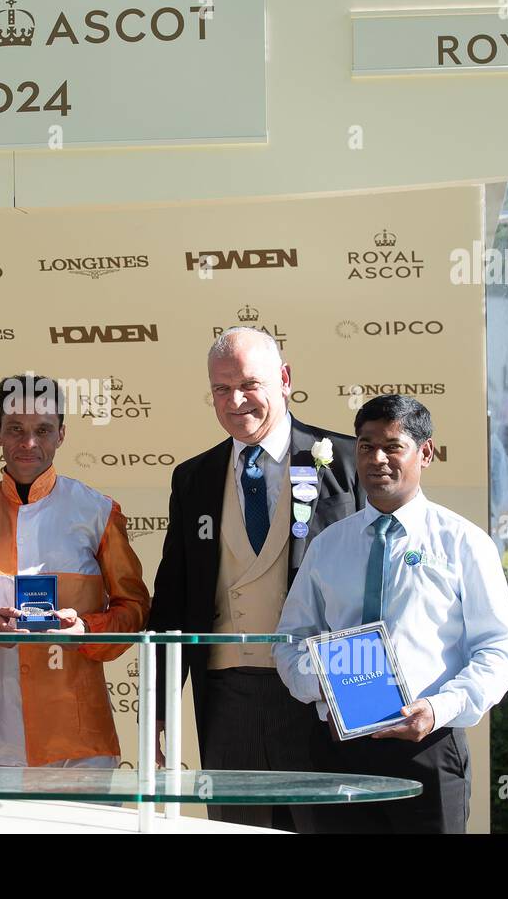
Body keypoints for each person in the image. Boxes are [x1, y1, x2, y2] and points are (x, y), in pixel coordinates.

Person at [275, 394, 508, 833]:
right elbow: (291, 641)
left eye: (393, 445)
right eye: (366, 445)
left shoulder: (463, 543)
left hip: (428, 746)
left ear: (425, 452)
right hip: (338, 751)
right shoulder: (328, 545)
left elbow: (499, 649)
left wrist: (438, 707)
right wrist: (324, 689)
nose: (377, 458)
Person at [149, 327, 363, 830]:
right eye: (221, 389)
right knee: (236, 827)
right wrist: (158, 707)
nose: (235, 400)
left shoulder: (347, 460)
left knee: (324, 827)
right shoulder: (193, 478)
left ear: (285, 380)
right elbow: (172, 597)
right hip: (226, 696)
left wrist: (368, 701)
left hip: (322, 694)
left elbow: (374, 588)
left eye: (249, 384)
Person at [0, 374, 150, 767]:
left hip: (82, 745)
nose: (28, 443)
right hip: (1, 741)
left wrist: (87, 631)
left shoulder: (97, 511)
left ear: (61, 434)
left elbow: (136, 609)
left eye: (42, 430)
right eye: (15, 430)